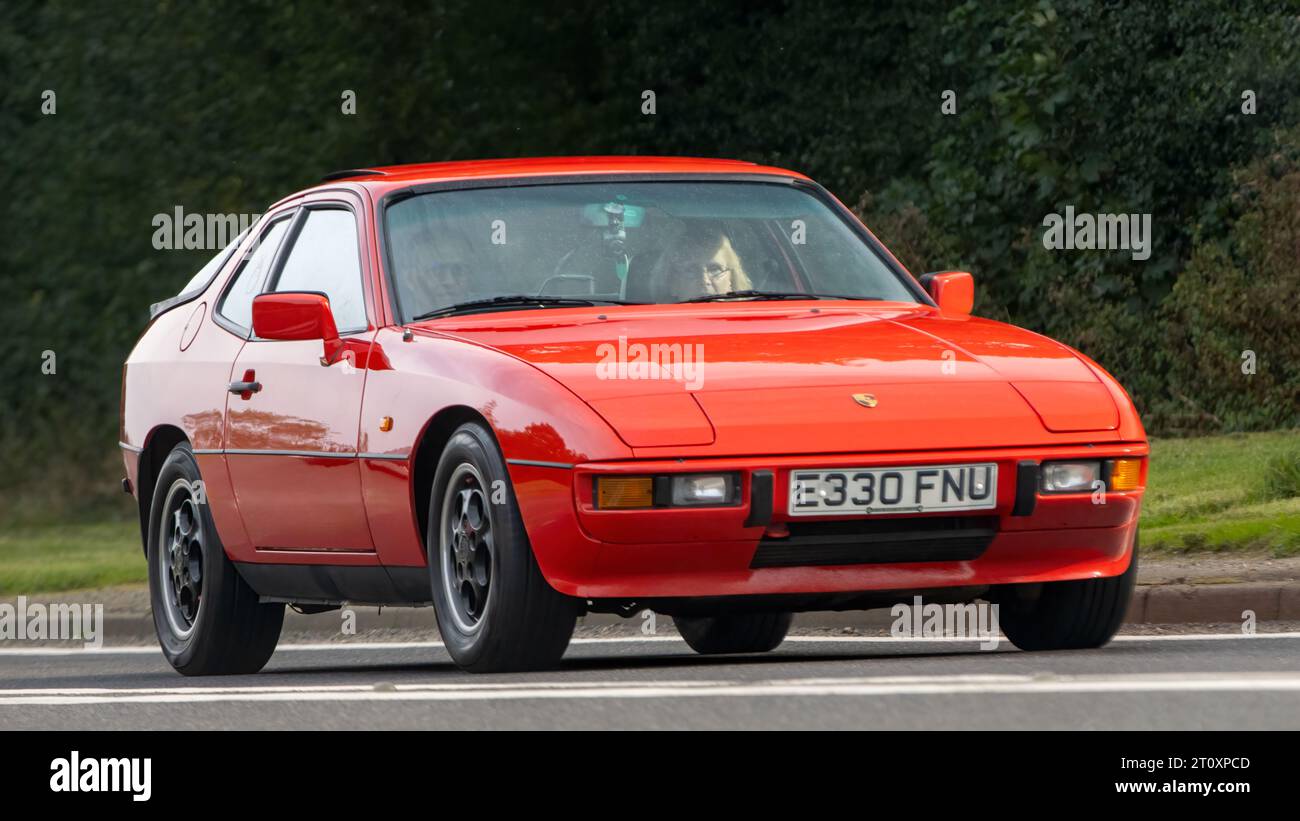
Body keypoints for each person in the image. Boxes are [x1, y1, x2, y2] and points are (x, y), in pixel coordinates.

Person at [653, 223, 752, 301]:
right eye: (691, 270)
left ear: (732, 278)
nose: (705, 281)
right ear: (673, 283)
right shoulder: (653, 324)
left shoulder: (754, 323)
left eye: (715, 270)